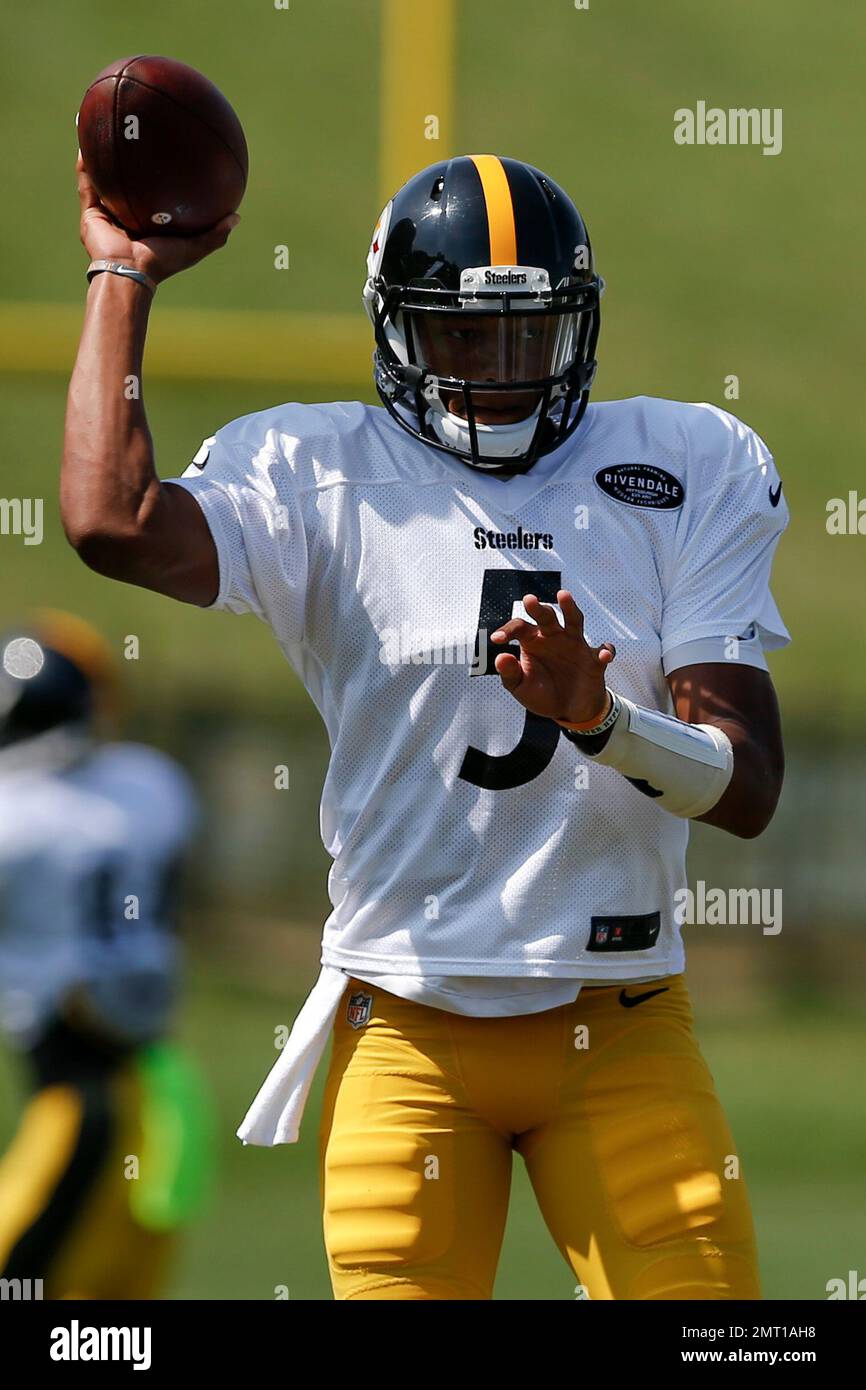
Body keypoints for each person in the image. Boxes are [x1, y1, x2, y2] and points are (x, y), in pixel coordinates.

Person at [62, 153, 789, 1300]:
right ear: (397, 332)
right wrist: (123, 276)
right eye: (460, 337)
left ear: (577, 329)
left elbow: (745, 787)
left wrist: (599, 721)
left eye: (526, 335)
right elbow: (110, 520)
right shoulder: (317, 470)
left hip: (624, 1020)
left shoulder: (683, 465)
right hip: (406, 1026)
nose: (497, 372)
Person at [0, 611, 210, 1298]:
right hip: (165, 1087)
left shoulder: (19, 815)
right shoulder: (152, 785)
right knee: (114, 1306)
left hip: (78, 1093)